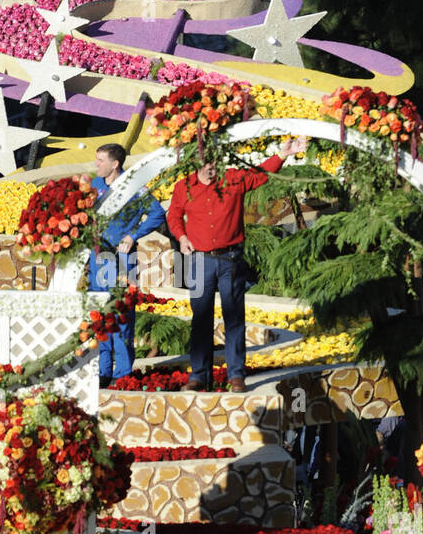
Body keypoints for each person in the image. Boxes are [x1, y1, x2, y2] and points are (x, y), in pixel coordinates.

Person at [166, 136, 308, 392]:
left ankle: (236, 375)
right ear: (195, 163)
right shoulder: (183, 187)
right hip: (199, 261)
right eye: (206, 163)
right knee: (200, 318)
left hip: (230, 259)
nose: (211, 167)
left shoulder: (232, 178)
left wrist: (284, 155)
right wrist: (182, 237)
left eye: (214, 162)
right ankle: (199, 376)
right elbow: (174, 215)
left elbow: (260, 175)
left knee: (234, 318)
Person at [88, 144, 167, 387]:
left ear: (115, 164)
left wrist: (133, 235)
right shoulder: (95, 185)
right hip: (97, 258)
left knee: (121, 315)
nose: (97, 164)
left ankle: (122, 375)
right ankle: (103, 372)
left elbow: (157, 213)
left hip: (122, 259)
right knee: (100, 314)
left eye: (101, 160)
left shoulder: (134, 187)